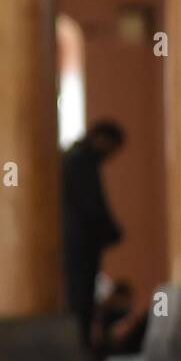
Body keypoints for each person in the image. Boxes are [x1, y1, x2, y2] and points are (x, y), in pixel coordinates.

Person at [61, 120, 125, 349]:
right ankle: (80, 348)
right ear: (101, 138)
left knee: (82, 299)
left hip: (77, 244)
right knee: (80, 300)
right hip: (79, 246)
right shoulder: (80, 162)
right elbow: (91, 206)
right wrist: (111, 231)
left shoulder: (77, 159)